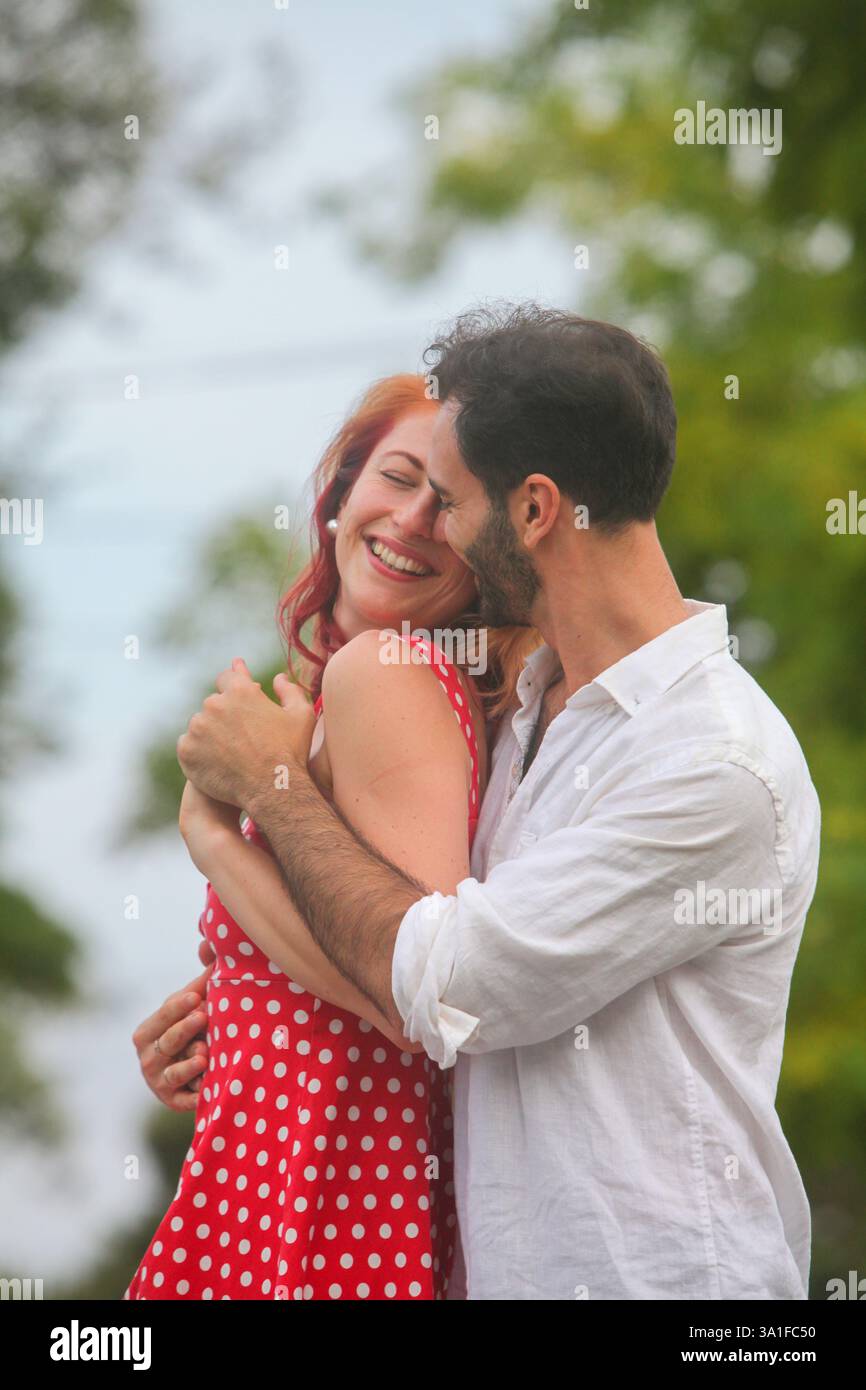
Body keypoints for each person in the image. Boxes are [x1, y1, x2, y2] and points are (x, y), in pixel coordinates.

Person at [177, 304, 821, 1301]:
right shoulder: (527, 709)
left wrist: (265, 786)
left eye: (450, 499)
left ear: (532, 511)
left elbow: (446, 981)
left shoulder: (709, 759)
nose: (432, 530)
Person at [125, 372, 537, 1301]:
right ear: (340, 494)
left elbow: (412, 996)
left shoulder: (387, 667)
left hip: (335, 1183)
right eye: (395, 477)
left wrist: (216, 833)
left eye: (454, 503)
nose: (414, 520)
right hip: (276, 1168)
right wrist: (219, 1025)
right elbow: (336, 962)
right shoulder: (354, 683)